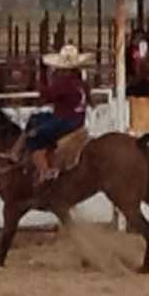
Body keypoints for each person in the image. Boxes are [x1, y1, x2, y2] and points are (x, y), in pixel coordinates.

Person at [25, 44, 91, 188]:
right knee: (38, 120)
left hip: (65, 121)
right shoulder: (81, 83)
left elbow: (45, 96)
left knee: (33, 137)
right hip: (77, 121)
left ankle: (45, 171)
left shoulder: (64, 83)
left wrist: (42, 74)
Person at [124, 28, 149, 98]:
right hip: (132, 83)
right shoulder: (129, 52)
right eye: (134, 37)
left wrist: (141, 58)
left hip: (144, 83)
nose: (136, 40)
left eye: (140, 38)